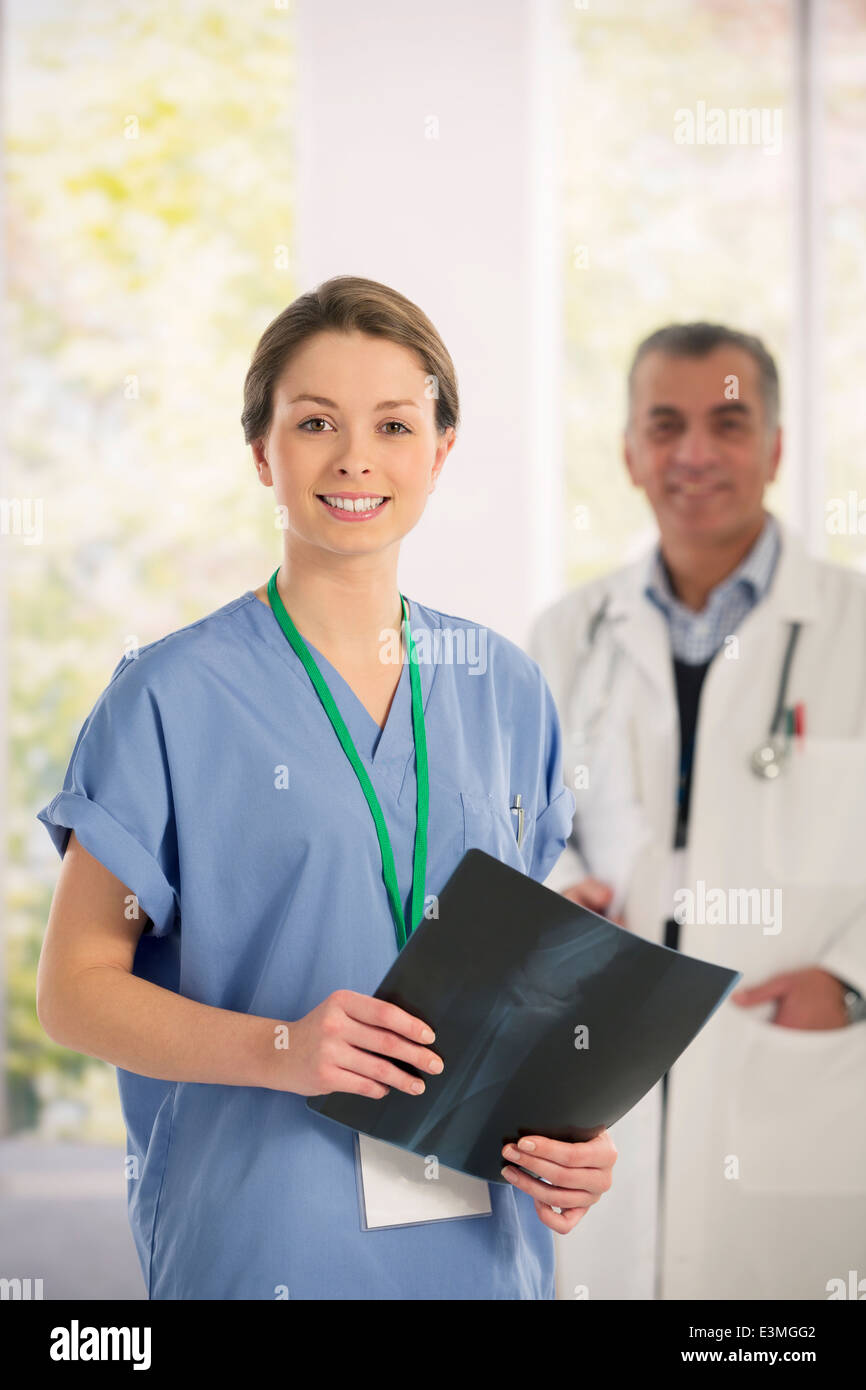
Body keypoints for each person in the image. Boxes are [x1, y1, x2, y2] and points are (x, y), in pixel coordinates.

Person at [35, 275, 617, 1301]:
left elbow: (523, 994)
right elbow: (76, 991)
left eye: (393, 423)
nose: (354, 456)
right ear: (261, 450)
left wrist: (571, 1138)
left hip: (480, 1250)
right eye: (314, 422)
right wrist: (282, 1048)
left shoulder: (505, 689)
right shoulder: (171, 695)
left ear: (439, 450)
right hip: (263, 1239)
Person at [529, 323, 866, 1301]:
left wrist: (848, 983)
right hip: (604, 1060)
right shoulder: (567, 634)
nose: (692, 453)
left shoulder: (855, 632)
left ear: (773, 446)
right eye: (663, 424)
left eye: (726, 421)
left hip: (795, 1064)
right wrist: (557, 896)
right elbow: (513, 827)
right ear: (628, 452)